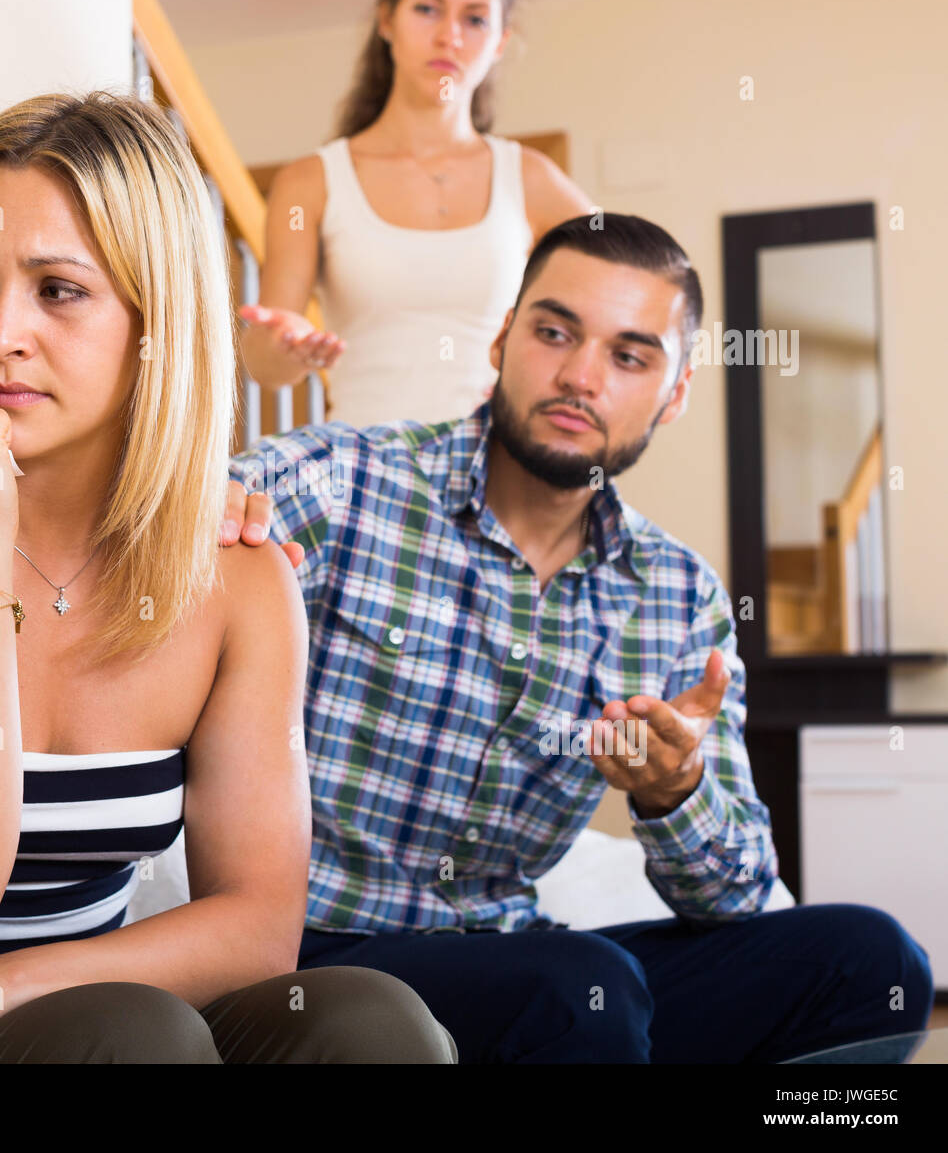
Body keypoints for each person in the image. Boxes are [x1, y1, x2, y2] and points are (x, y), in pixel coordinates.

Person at [0, 91, 456, 1065]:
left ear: (158, 320)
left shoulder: (234, 578)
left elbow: (256, 924)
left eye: (57, 290)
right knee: (133, 1035)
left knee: (372, 1021)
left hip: (60, 1021)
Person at [228, 212, 935, 1063]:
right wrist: (203, 524)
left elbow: (742, 896)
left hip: (509, 960)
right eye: (555, 331)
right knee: (580, 990)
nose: (579, 376)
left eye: (629, 355)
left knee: (873, 963)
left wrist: (675, 790)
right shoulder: (343, 482)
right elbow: (156, 519)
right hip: (314, 955)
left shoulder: (678, 597)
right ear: (502, 340)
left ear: (673, 395)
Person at [238, 0, 592, 428]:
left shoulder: (531, 177)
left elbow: (629, 283)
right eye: (427, 8)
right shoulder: (310, 182)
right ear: (387, 19)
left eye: (475, 19)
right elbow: (267, 367)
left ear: (499, 41)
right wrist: (285, 345)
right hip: (365, 470)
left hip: (499, 468)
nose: (449, 35)